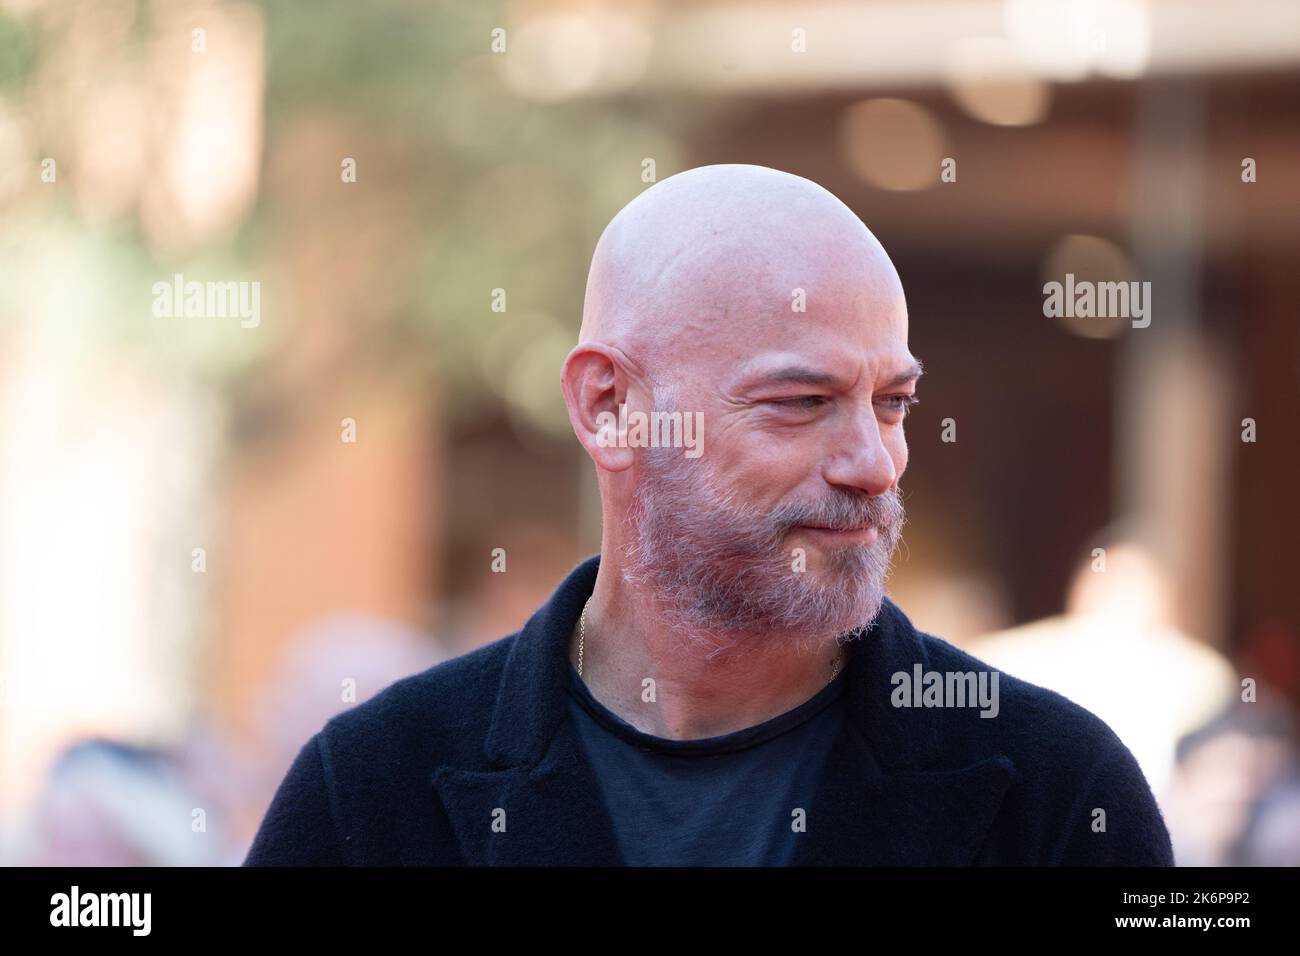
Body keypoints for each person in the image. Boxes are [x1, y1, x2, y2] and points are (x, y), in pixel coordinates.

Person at [244, 164, 1174, 866]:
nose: (873, 463)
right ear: (608, 405)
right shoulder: (373, 793)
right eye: (800, 402)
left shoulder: (1054, 793)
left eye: (892, 403)